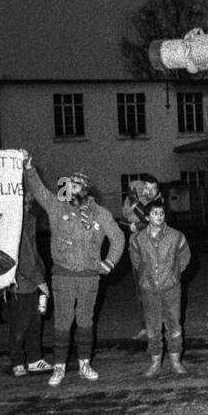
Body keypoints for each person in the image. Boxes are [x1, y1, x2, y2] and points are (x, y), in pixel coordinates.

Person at [22, 157, 124, 386]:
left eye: (76, 187)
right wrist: (29, 168)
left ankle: (85, 364)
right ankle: (58, 367)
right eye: (70, 185)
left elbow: (117, 237)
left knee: (85, 321)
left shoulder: (100, 213)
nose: (71, 189)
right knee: (62, 321)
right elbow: (39, 191)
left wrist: (109, 263)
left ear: (85, 190)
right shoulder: (57, 206)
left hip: (89, 278)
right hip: (63, 277)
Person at [130, 200, 191, 377]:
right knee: (152, 327)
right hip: (149, 290)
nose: (159, 216)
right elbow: (135, 259)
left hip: (171, 288)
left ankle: (175, 361)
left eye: (161, 213)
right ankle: (155, 363)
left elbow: (185, 256)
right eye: (155, 213)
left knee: (174, 324)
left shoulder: (176, 236)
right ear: (147, 217)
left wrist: (174, 274)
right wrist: (144, 277)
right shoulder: (139, 239)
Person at [7, 187, 51, 377]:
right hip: (23, 282)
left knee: (34, 320)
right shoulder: (18, 220)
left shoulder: (26, 218)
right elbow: (24, 254)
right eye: (30, 193)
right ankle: (18, 361)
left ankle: (33, 359)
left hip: (29, 280)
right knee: (21, 323)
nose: (33, 196)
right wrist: (40, 280)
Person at [123, 177, 162, 341]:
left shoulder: (159, 202)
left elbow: (149, 218)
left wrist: (137, 222)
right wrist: (130, 222)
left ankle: (159, 326)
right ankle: (145, 327)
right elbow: (126, 214)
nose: (150, 192)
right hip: (137, 250)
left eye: (153, 188)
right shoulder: (136, 196)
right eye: (147, 188)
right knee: (141, 291)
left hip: (154, 252)